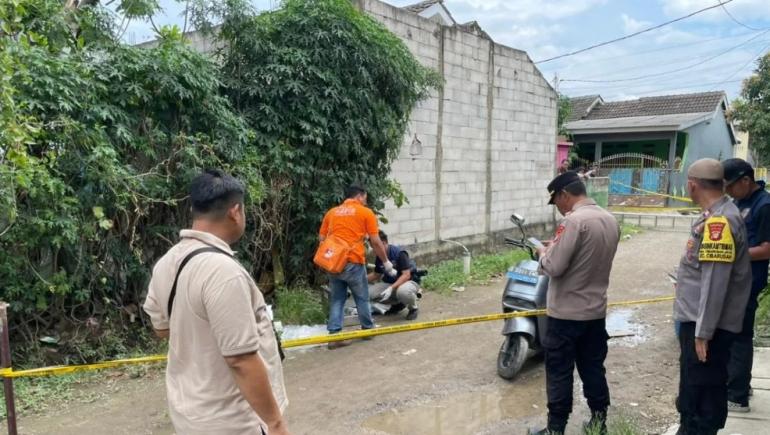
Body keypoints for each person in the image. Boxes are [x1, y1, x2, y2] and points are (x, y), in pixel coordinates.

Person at [143, 169, 290, 435]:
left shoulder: (167, 262)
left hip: (190, 412)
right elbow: (241, 360)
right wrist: (274, 422)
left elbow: (161, 328)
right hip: (233, 421)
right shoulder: (224, 273)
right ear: (235, 211)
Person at [530, 171, 620, 435]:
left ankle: (555, 429)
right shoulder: (609, 219)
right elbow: (587, 257)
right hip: (595, 313)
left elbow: (554, 266)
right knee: (593, 368)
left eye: (556, 201)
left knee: (559, 371)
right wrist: (556, 247)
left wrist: (544, 252)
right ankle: (598, 422)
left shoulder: (572, 222)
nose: (558, 208)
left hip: (566, 315)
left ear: (565, 195)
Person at [674, 158, 751, 435]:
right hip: (704, 323)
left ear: (692, 185)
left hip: (707, 328)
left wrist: (703, 333)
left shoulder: (719, 222)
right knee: (697, 394)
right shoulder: (718, 214)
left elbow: (716, 281)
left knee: (700, 401)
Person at [319, 185, 396, 349]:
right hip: (353, 261)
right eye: (365, 198)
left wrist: (335, 253)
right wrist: (386, 262)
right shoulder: (365, 212)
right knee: (362, 297)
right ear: (360, 196)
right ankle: (367, 330)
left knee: (337, 299)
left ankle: (334, 336)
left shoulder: (332, 213)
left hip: (334, 262)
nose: (365, 201)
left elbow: (321, 238)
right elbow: (375, 241)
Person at [722, 158, 770, 413]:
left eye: (730, 186)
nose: (727, 192)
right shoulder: (740, 201)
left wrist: (732, 253)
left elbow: (766, 249)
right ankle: (741, 382)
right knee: (733, 331)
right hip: (737, 278)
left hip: (750, 279)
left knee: (739, 334)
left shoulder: (765, 206)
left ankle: (737, 395)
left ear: (745, 180)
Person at [367, 230, 422, 321]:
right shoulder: (380, 256)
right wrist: (358, 281)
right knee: (370, 293)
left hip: (408, 282)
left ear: (383, 243)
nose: (373, 250)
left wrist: (391, 288)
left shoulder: (399, 253)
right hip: (391, 284)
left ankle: (413, 308)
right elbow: (376, 274)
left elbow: (406, 275)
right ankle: (398, 305)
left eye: (374, 247)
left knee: (403, 291)